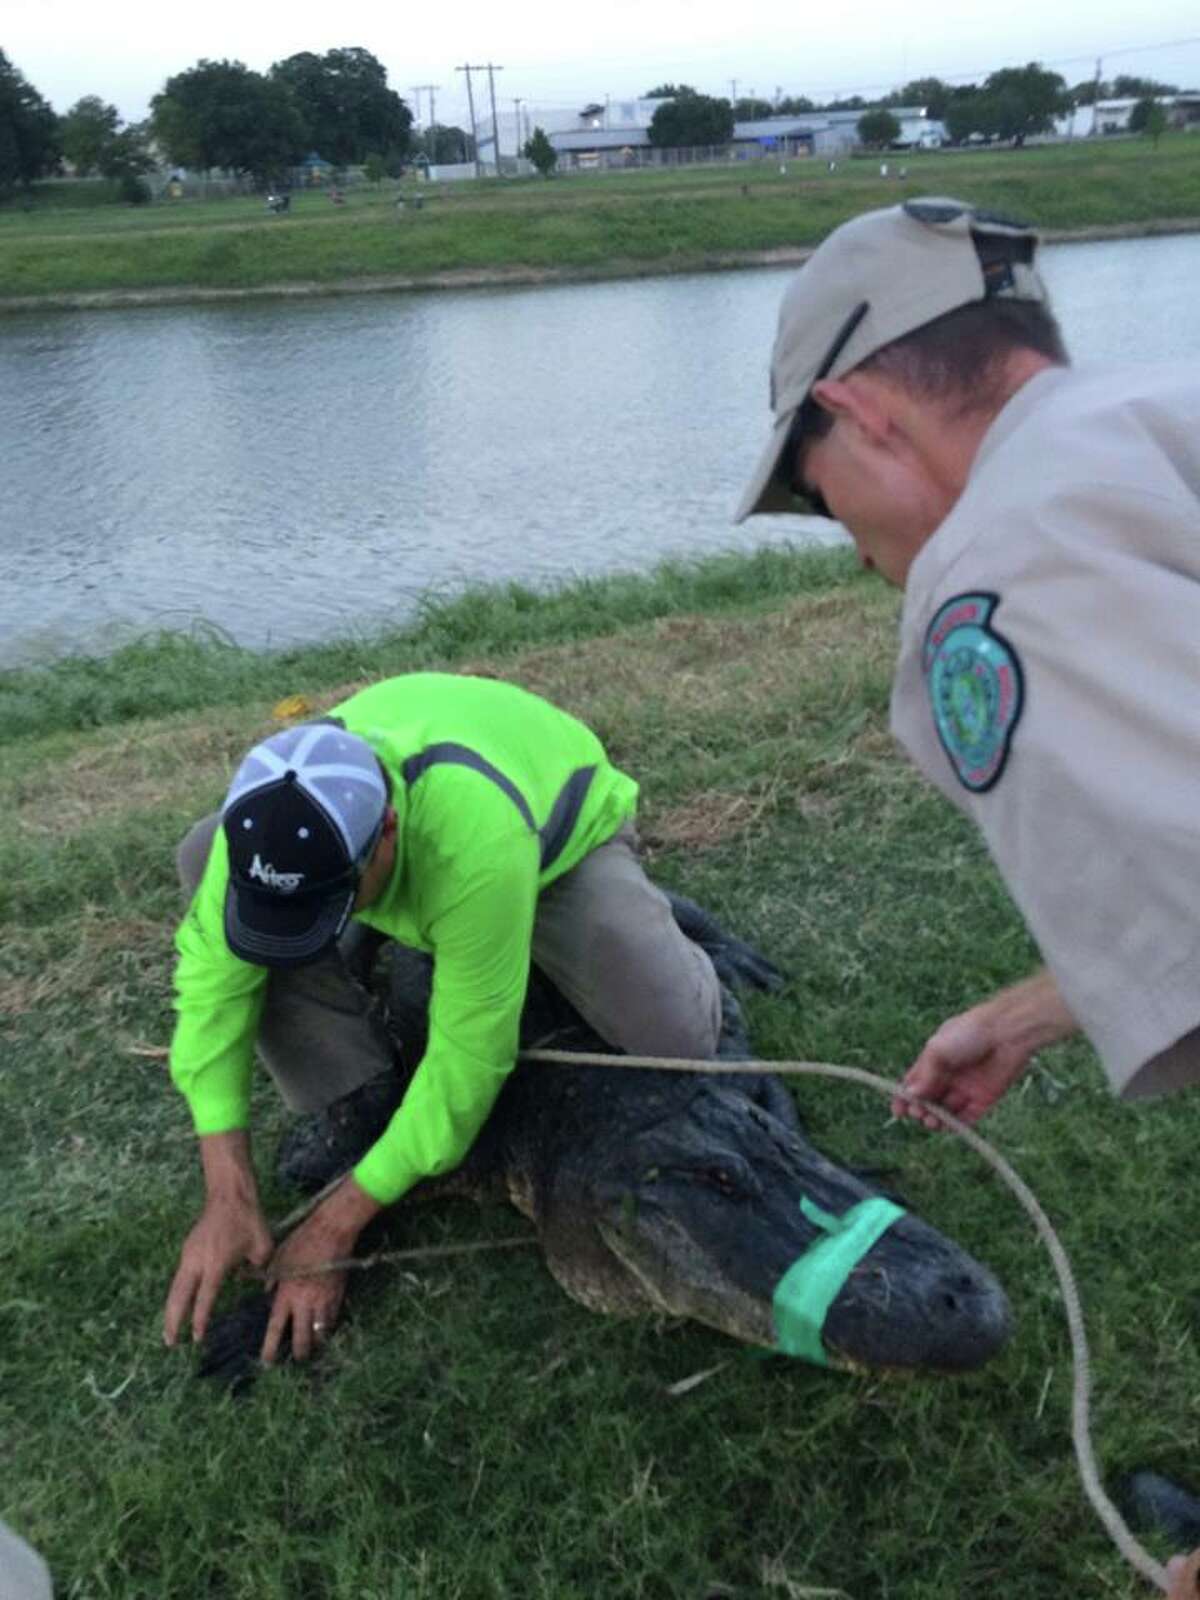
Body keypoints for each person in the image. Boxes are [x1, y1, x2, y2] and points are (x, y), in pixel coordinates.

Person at [734, 195, 1200, 1128]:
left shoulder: (1000, 561)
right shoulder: (1155, 412)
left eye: (822, 501)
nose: (860, 553)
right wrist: (1032, 1014)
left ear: (859, 413)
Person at [162, 673, 722, 1364]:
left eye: (324, 904)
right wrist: (228, 1191)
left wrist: (334, 1229)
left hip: (554, 844)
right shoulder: (261, 828)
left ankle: (668, 927)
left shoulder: (477, 836)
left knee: (678, 1036)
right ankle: (356, 1091)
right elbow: (211, 995)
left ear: (388, 831)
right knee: (198, 850)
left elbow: (467, 1064)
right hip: (412, 871)